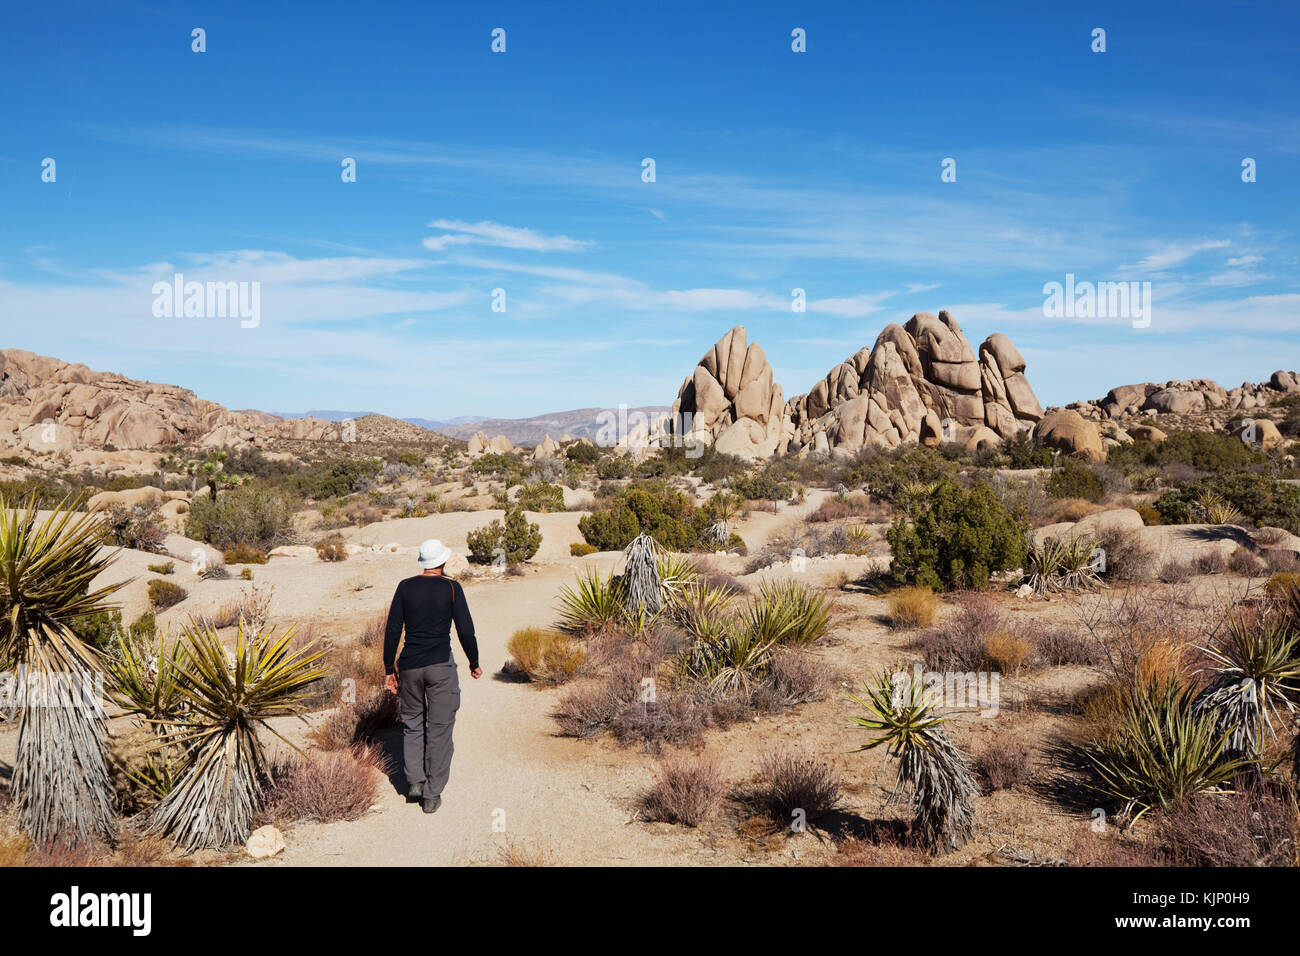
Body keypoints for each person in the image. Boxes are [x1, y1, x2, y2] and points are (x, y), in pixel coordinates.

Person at [383, 539, 482, 814]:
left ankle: (414, 782)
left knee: (413, 723)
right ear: (443, 561)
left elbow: (392, 630)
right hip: (440, 666)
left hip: (410, 665)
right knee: (439, 729)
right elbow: (465, 630)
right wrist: (474, 662)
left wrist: (389, 669)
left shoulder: (405, 587)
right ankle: (431, 794)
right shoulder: (451, 588)